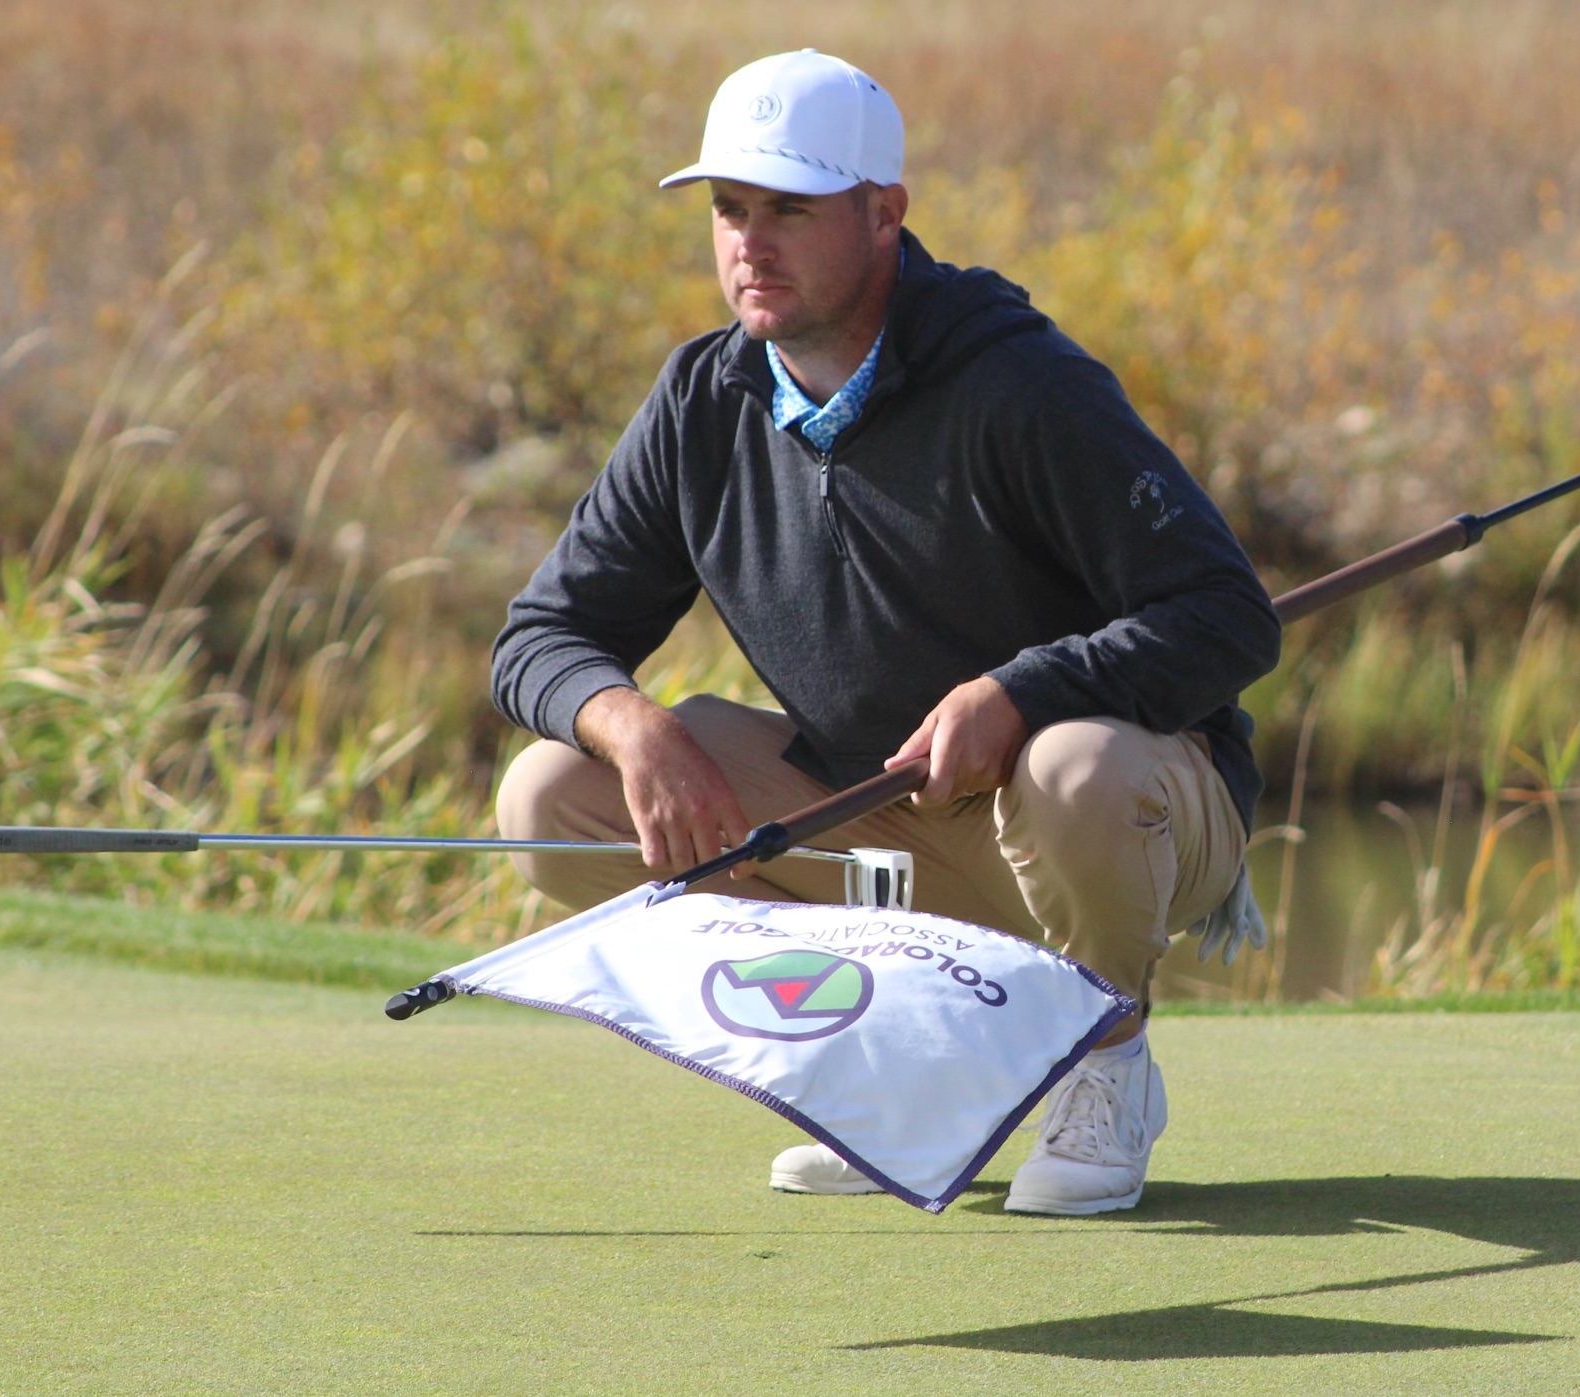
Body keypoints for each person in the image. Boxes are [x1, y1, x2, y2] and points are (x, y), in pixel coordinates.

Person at [490, 49, 1281, 1215]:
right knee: (553, 794)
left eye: (789, 211)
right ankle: (884, 1055)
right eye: (729, 210)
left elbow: (1227, 616)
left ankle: (1104, 1054)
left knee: (1076, 759)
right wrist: (630, 721)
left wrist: (1023, 690)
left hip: (1114, 813)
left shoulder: (1019, 384)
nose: (750, 244)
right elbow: (540, 637)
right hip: (888, 831)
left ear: (883, 214)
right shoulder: (705, 400)